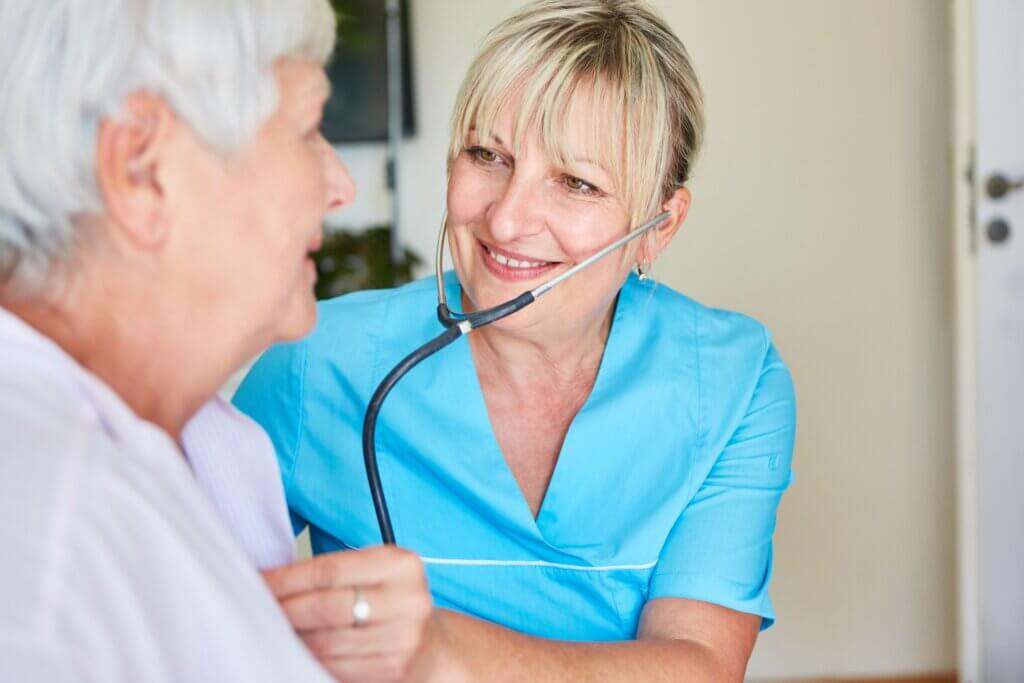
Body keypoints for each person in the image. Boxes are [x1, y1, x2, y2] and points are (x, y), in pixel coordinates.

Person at [190, 0, 796, 680]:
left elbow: (700, 666)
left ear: (659, 225)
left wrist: (441, 650)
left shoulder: (733, 381)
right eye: (487, 154)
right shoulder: (316, 362)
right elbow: (185, 610)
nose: (506, 221)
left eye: (575, 182)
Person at [0, 1, 433, 681]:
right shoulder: (44, 549)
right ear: (142, 169)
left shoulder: (221, 446)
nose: (340, 186)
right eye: (307, 128)